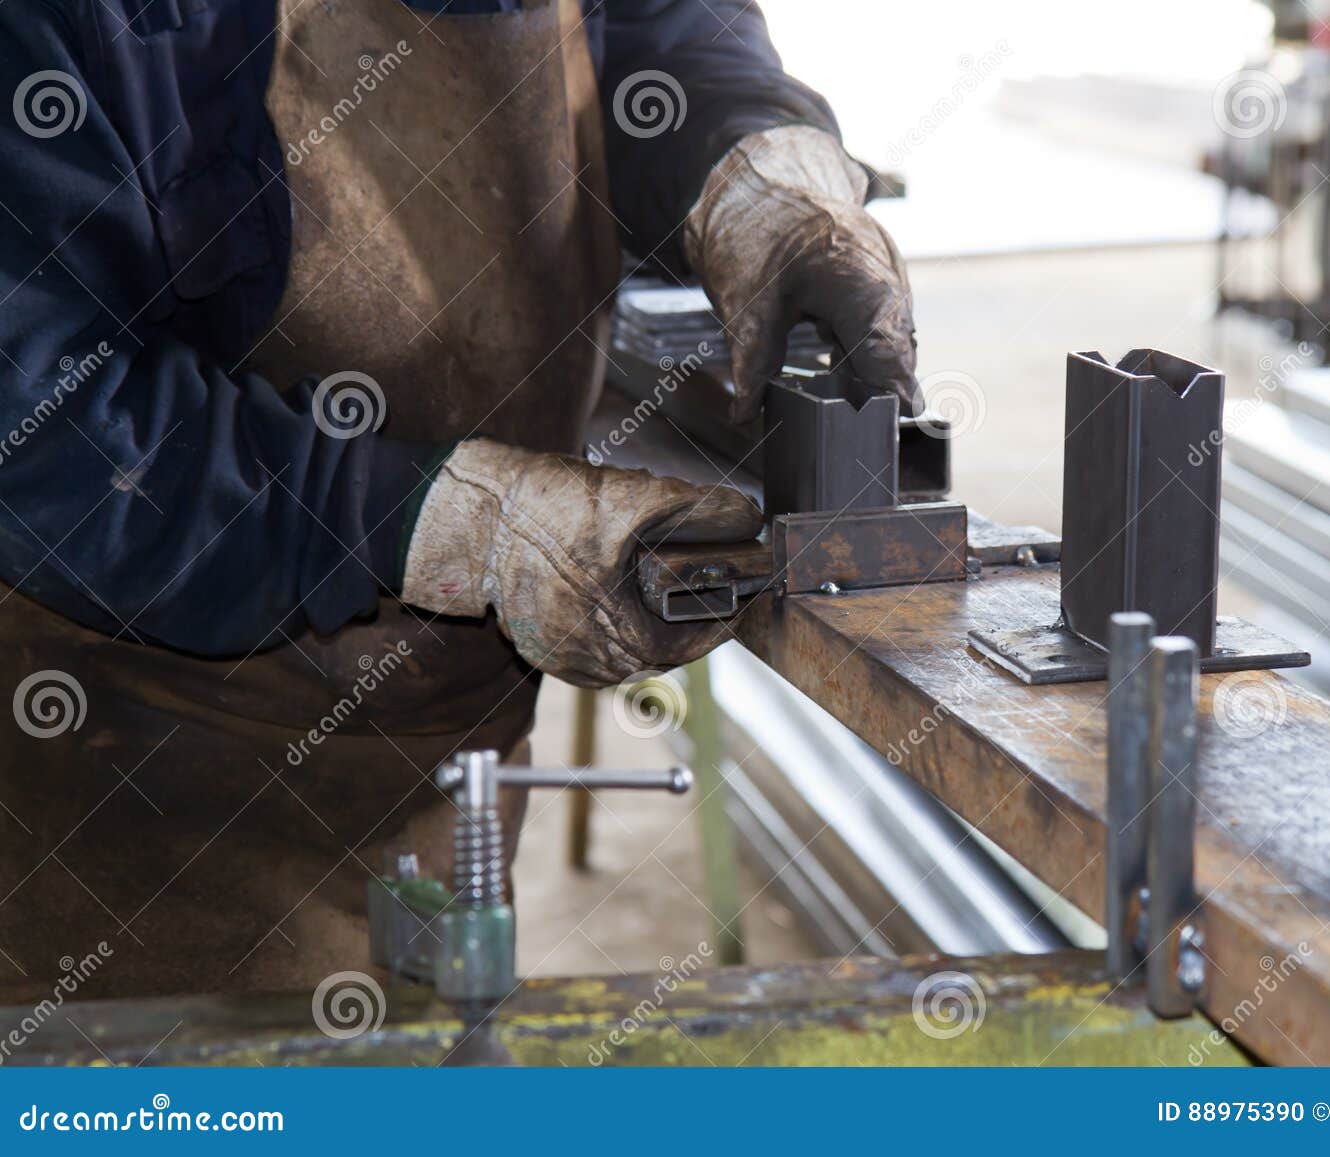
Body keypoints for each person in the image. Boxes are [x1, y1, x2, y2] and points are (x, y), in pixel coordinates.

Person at [0, 0, 917, 1001]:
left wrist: (754, 170)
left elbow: (665, 30)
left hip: (441, 790)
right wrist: (441, 525)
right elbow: (43, 426)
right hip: (121, 823)